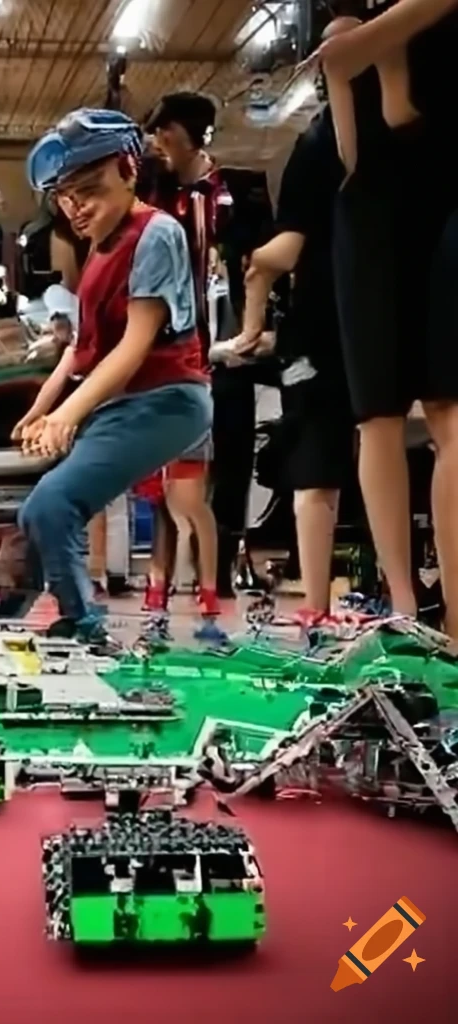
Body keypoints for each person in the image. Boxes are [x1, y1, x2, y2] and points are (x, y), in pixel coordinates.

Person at [12, 109, 212, 648]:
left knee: (56, 503)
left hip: (168, 398)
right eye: (65, 197)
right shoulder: (101, 248)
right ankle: (75, 615)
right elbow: (80, 348)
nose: (76, 209)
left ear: (128, 169)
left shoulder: (157, 234)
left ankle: (86, 628)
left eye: (89, 191)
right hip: (126, 402)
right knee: (39, 511)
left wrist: (67, 416)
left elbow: (136, 342)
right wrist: (42, 408)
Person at [319, 0, 458, 636]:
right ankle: (406, 605)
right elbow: (371, 135)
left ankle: (445, 611)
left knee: (446, 409)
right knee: (382, 413)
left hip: (427, 200)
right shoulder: (355, 29)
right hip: (376, 212)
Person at [228, 60, 352, 625]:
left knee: (316, 462)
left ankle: (317, 605)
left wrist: (252, 327)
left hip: (319, 333)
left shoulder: (317, 143)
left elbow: (270, 260)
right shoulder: (396, 130)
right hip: (373, 319)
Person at [135, 92, 231, 618]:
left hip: (195, 357)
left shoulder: (221, 197)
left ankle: (209, 588)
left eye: (164, 132)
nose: (157, 142)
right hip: (155, 356)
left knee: (190, 493)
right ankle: (159, 583)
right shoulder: (158, 188)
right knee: (160, 493)